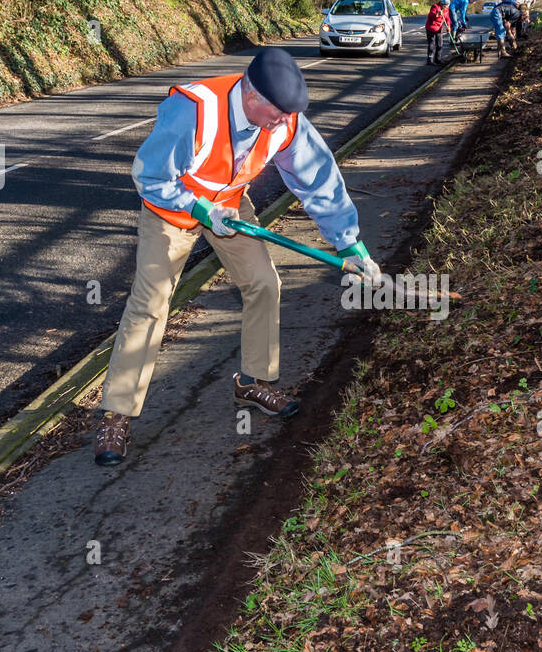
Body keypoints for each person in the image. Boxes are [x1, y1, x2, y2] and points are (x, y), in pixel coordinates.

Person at [93, 47, 382, 466]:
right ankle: (116, 414)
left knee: (264, 282)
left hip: (230, 206)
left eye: (288, 115)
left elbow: (317, 177)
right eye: (278, 113)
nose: (285, 122)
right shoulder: (194, 109)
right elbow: (149, 175)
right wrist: (200, 210)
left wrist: (349, 243)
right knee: (151, 302)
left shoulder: (285, 121)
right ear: (252, 96)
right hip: (171, 209)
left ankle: (253, 381)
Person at [425, 0, 452, 65]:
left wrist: (448, 26)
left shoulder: (446, 9)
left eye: (447, 6)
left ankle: (438, 59)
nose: (446, 7)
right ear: (442, 4)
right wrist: (438, 14)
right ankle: (430, 60)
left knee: (440, 44)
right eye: (445, 6)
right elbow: (431, 15)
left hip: (439, 29)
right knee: (432, 44)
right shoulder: (435, 7)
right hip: (431, 28)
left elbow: (447, 19)